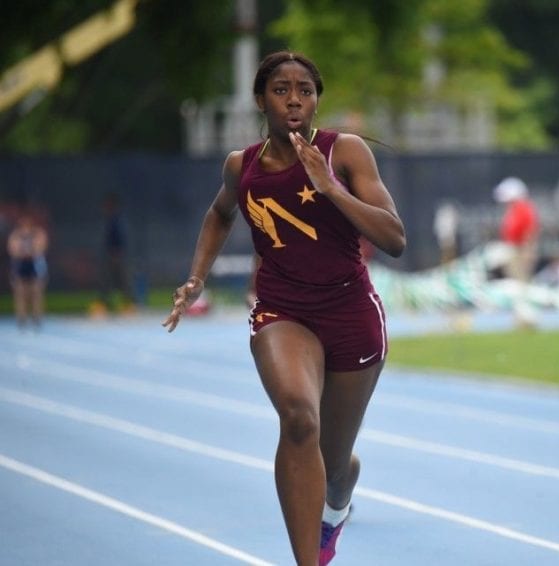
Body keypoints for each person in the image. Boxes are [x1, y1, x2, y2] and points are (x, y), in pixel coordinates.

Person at [162, 51, 406, 566]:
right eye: (281, 89)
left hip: (350, 313)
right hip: (282, 309)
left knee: (333, 464)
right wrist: (196, 277)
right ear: (260, 99)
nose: (294, 99)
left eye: (305, 90)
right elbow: (218, 214)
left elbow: (395, 238)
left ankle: (337, 501)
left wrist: (329, 187)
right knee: (298, 418)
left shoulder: (346, 153)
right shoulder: (242, 166)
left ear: (317, 100)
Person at [493, 176, 540, 327]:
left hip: (520, 250)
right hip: (513, 249)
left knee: (521, 286)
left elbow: (530, 230)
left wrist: (528, 250)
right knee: (516, 286)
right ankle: (521, 317)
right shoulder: (513, 210)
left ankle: (526, 318)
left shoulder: (523, 208)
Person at [90, 192, 136, 317]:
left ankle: (128, 305)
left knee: (121, 280)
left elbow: (119, 239)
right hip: (112, 256)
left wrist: (116, 255)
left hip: (116, 256)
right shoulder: (110, 219)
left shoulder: (117, 221)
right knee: (107, 281)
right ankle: (104, 304)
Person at [7, 212, 49, 330]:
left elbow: (41, 247)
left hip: (35, 266)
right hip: (21, 266)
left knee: (36, 294)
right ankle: (22, 318)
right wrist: (23, 251)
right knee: (21, 294)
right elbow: (13, 250)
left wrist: (30, 250)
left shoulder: (38, 233)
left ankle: (37, 318)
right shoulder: (16, 235)